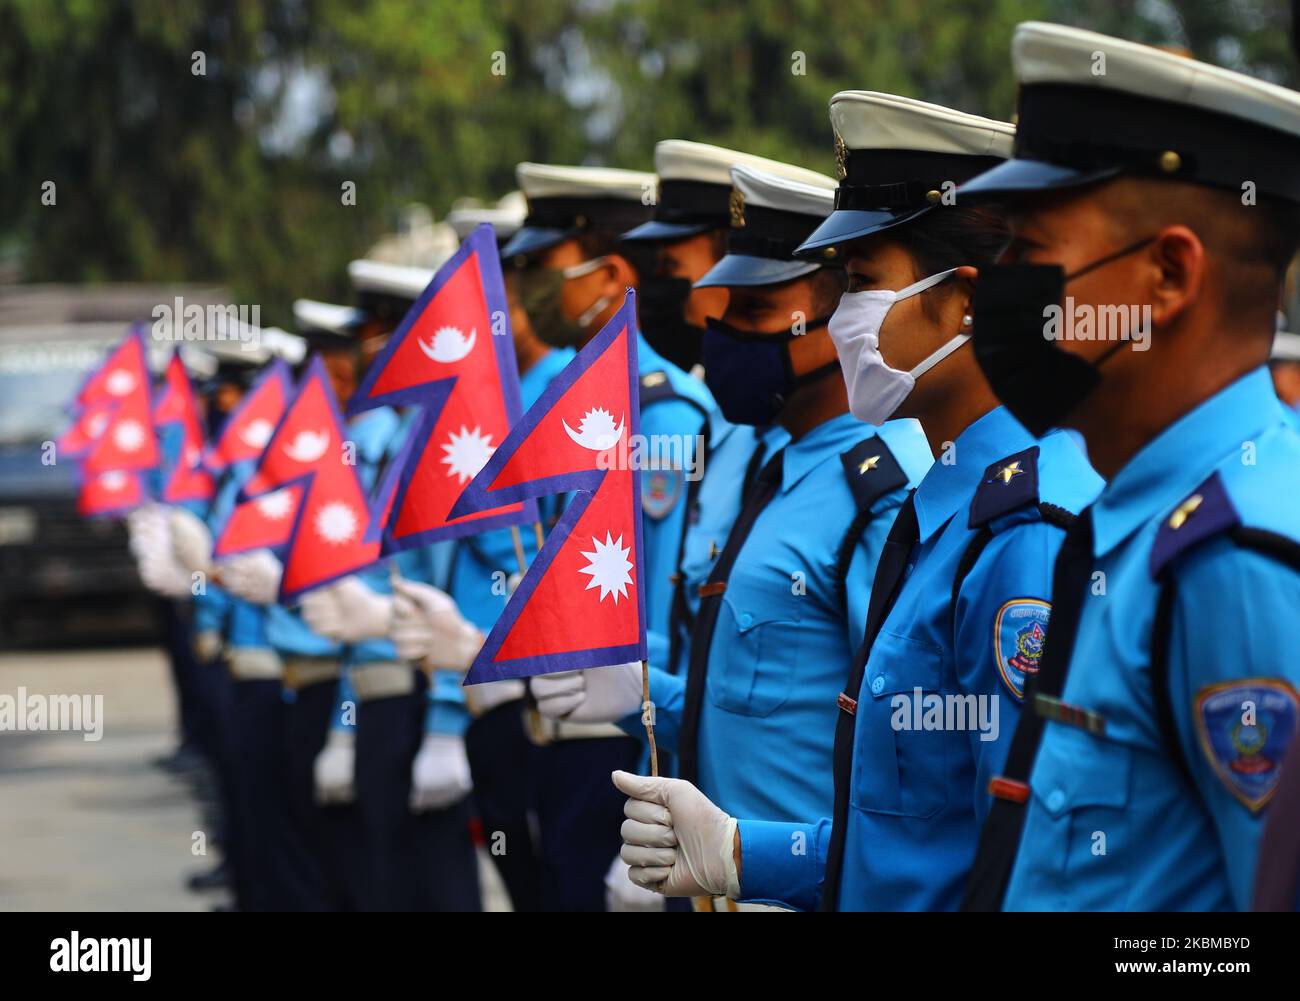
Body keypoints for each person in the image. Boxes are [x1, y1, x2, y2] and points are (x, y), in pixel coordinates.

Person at [611, 92, 1104, 911]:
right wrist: (741, 852)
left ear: (965, 301)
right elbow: (906, 837)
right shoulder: (949, 504)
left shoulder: (1026, 530)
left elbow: (1022, 858)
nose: (839, 320)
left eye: (864, 283)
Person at [948, 21, 1300, 911]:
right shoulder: (1137, 516)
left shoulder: (1235, 559)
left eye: (1031, 253)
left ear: (1167, 278)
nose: (1002, 286)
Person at [540, 154, 939, 913]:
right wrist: (643, 697)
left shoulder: (884, 488)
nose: (723, 337)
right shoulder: (779, 470)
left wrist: (768, 861)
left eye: (756, 315)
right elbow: (755, 703)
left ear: (838, 320)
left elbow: (900, 764)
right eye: (725, 313)